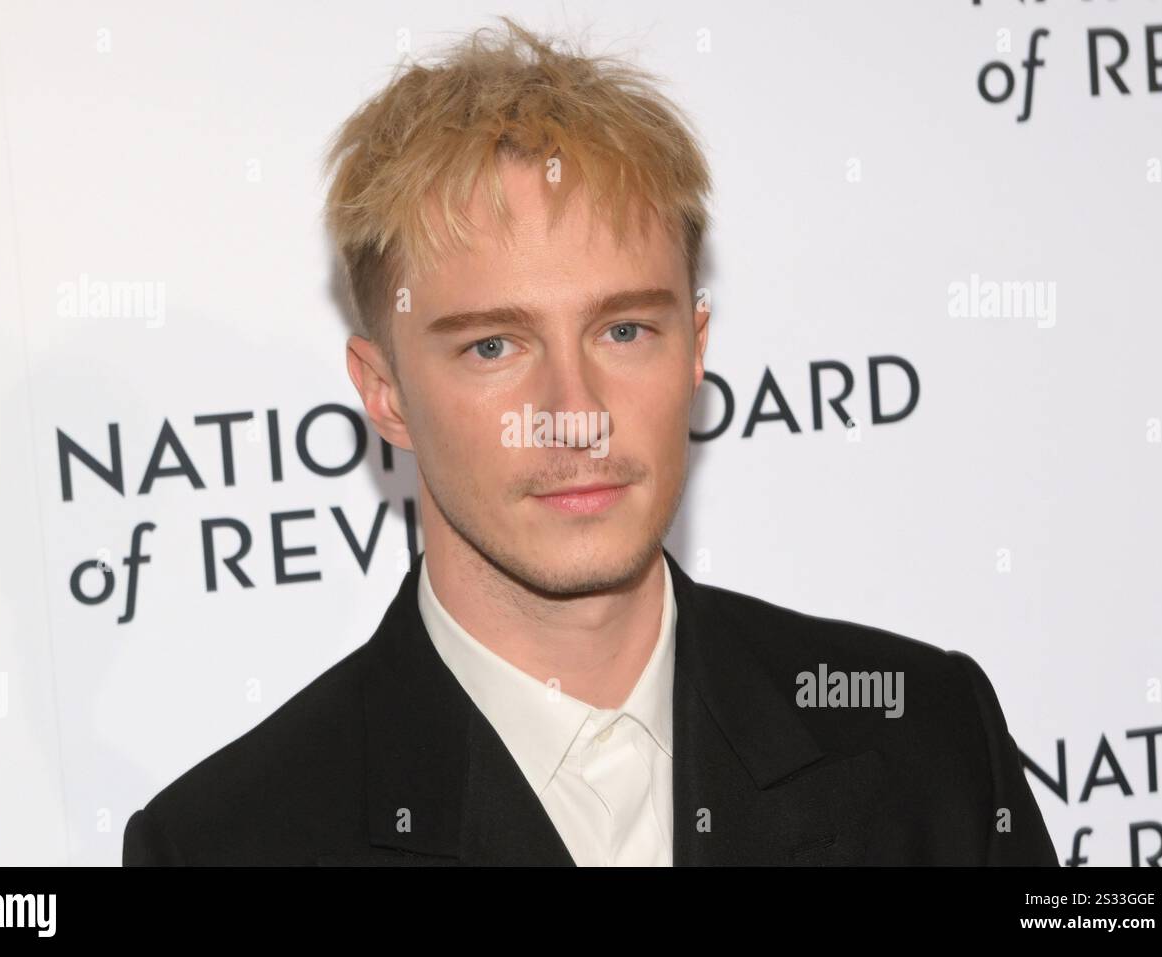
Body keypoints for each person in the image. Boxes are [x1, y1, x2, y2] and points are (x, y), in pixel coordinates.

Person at [122, 17, 1058, 867]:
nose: (574, 411)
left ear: (697, 348)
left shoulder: (923, 733)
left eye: (623, 331)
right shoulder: (224, 845)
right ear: (386, 393)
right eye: (494, 345)